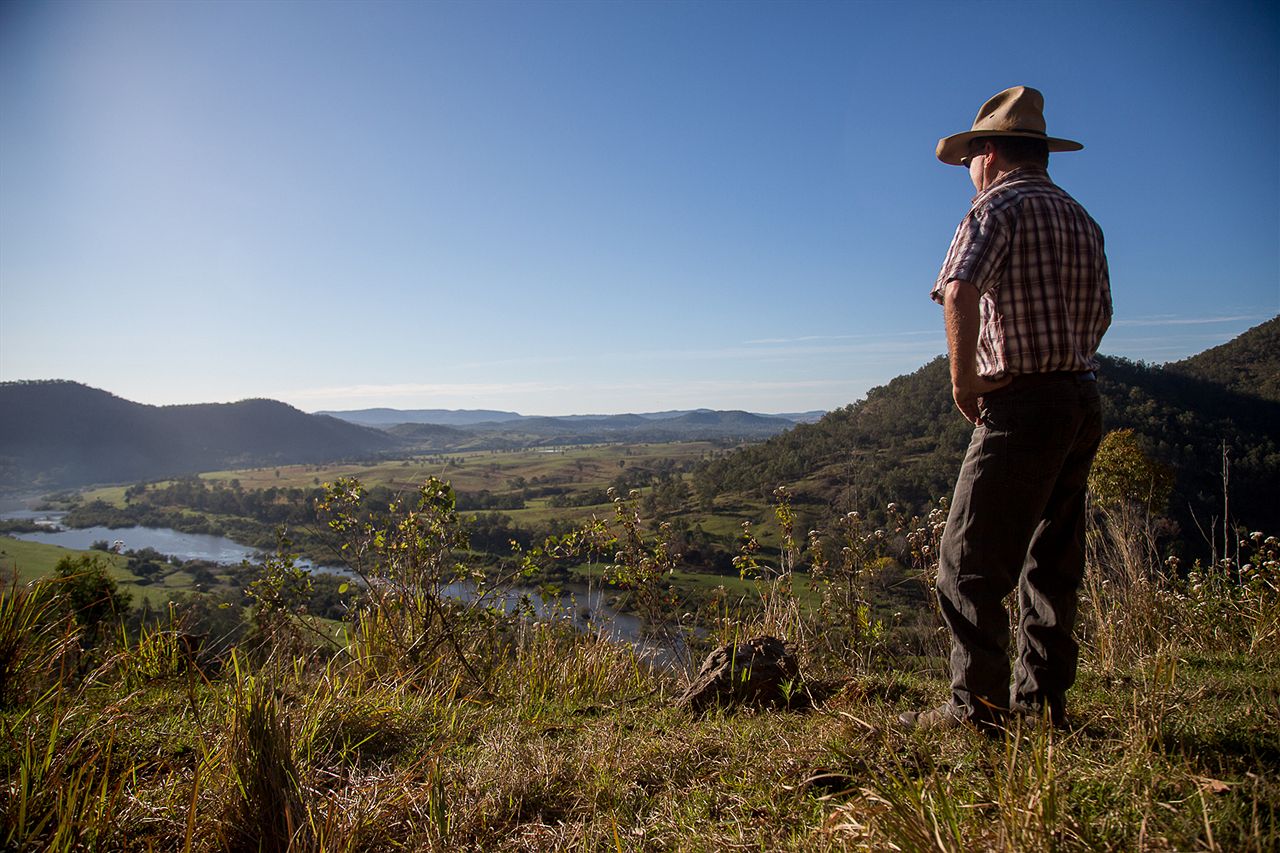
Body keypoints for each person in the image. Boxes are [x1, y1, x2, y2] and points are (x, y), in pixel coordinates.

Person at [899, 86, 1112, 731]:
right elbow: (1101, 313)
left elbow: (959, 288)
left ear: (988, 152)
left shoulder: (994, 208)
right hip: (1078, 396)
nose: (968, 173)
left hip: (1021, 403)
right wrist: (1066, 362)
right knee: (1053, 560)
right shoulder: (1081, 217)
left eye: (969, 158)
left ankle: (978, 712)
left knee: (967, 564)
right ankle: (1042, 704)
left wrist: (965, 381)